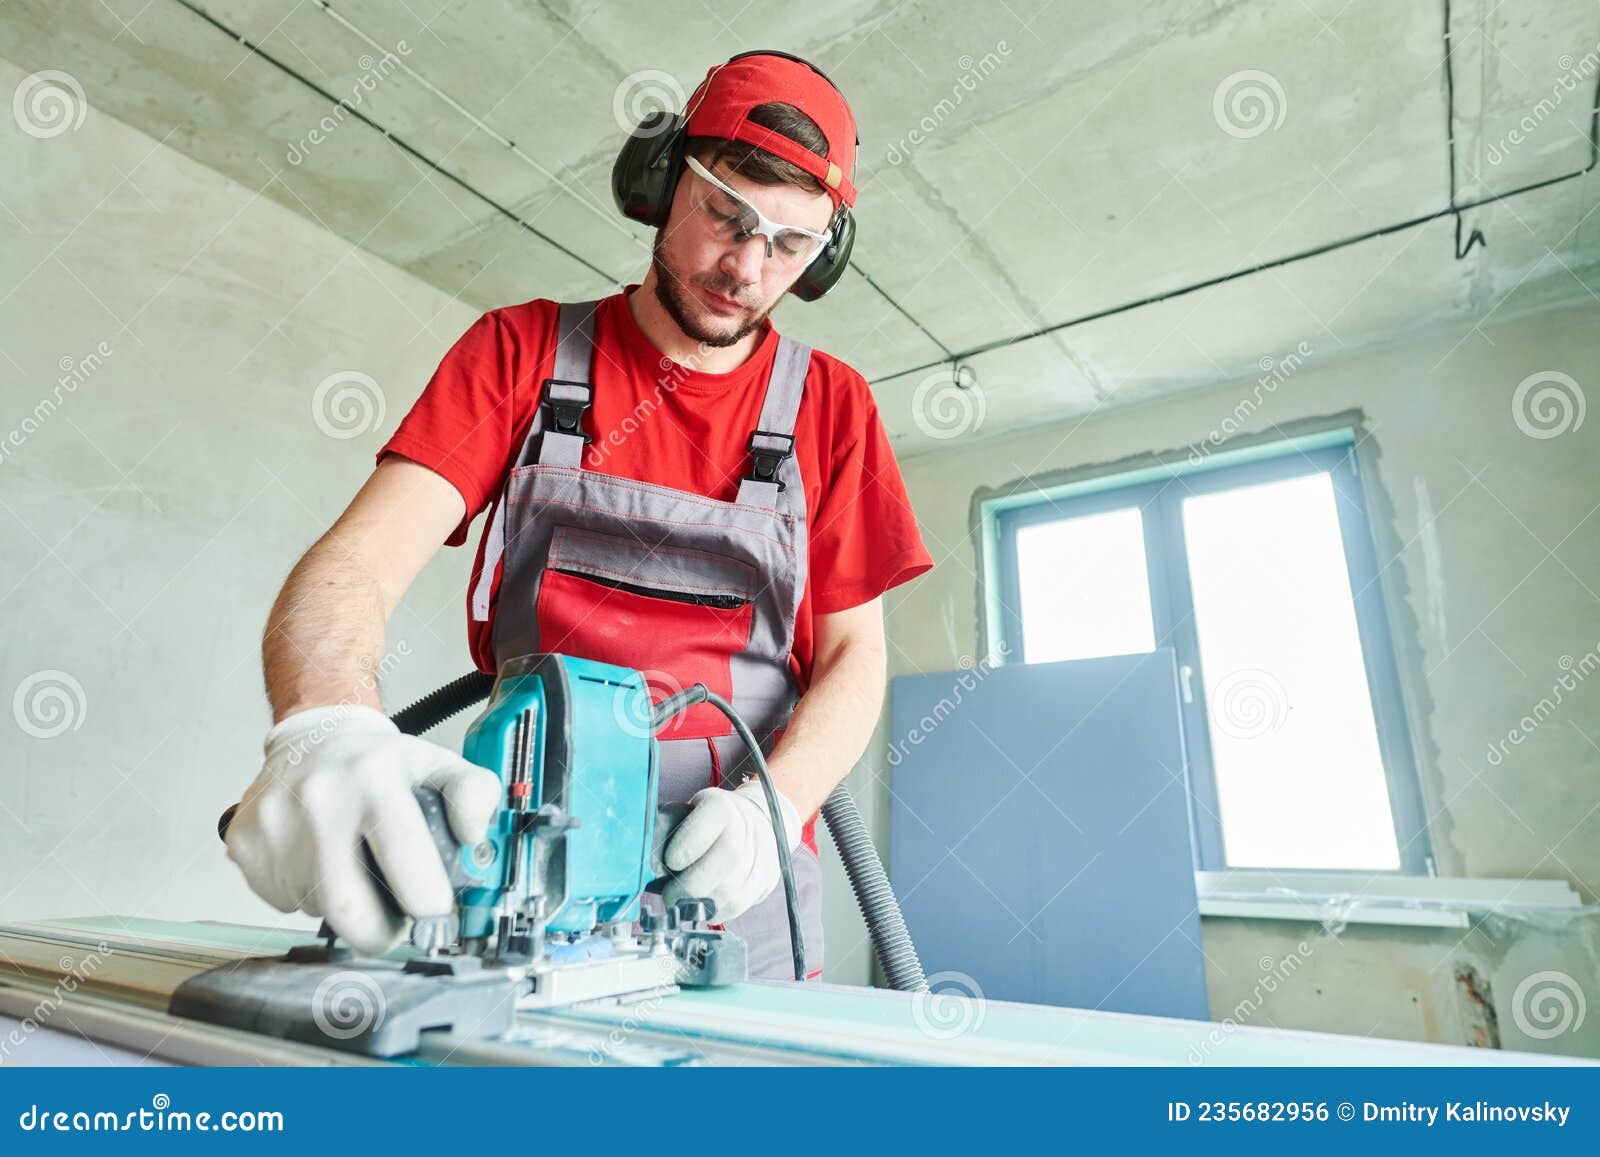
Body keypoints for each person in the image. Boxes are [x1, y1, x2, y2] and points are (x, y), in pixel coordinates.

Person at [224, 50, 933, 979]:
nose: (748, 267)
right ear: (662, 178)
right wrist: (326, 724)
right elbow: (353, 564)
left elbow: (856, 657)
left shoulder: (834, 409)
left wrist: (773, 813)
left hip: (734, 883)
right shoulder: (518, 353)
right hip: (522, 865)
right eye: (728, 214)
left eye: (791, 245)